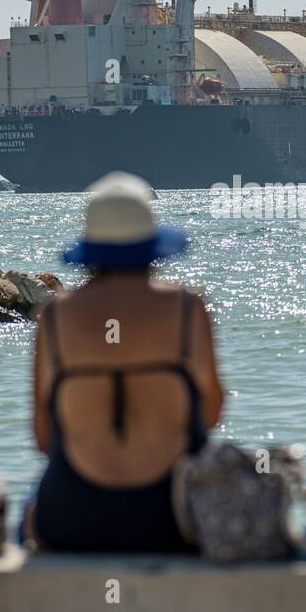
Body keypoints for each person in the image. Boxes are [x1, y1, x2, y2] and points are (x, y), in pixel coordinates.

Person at [23, 172, 223, 552]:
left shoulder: (54, 316)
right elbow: (211, 414)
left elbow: (44, 436)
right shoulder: (187, 309)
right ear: (151, 244)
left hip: (71, 516)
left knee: (25, 516)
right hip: (172, 517)